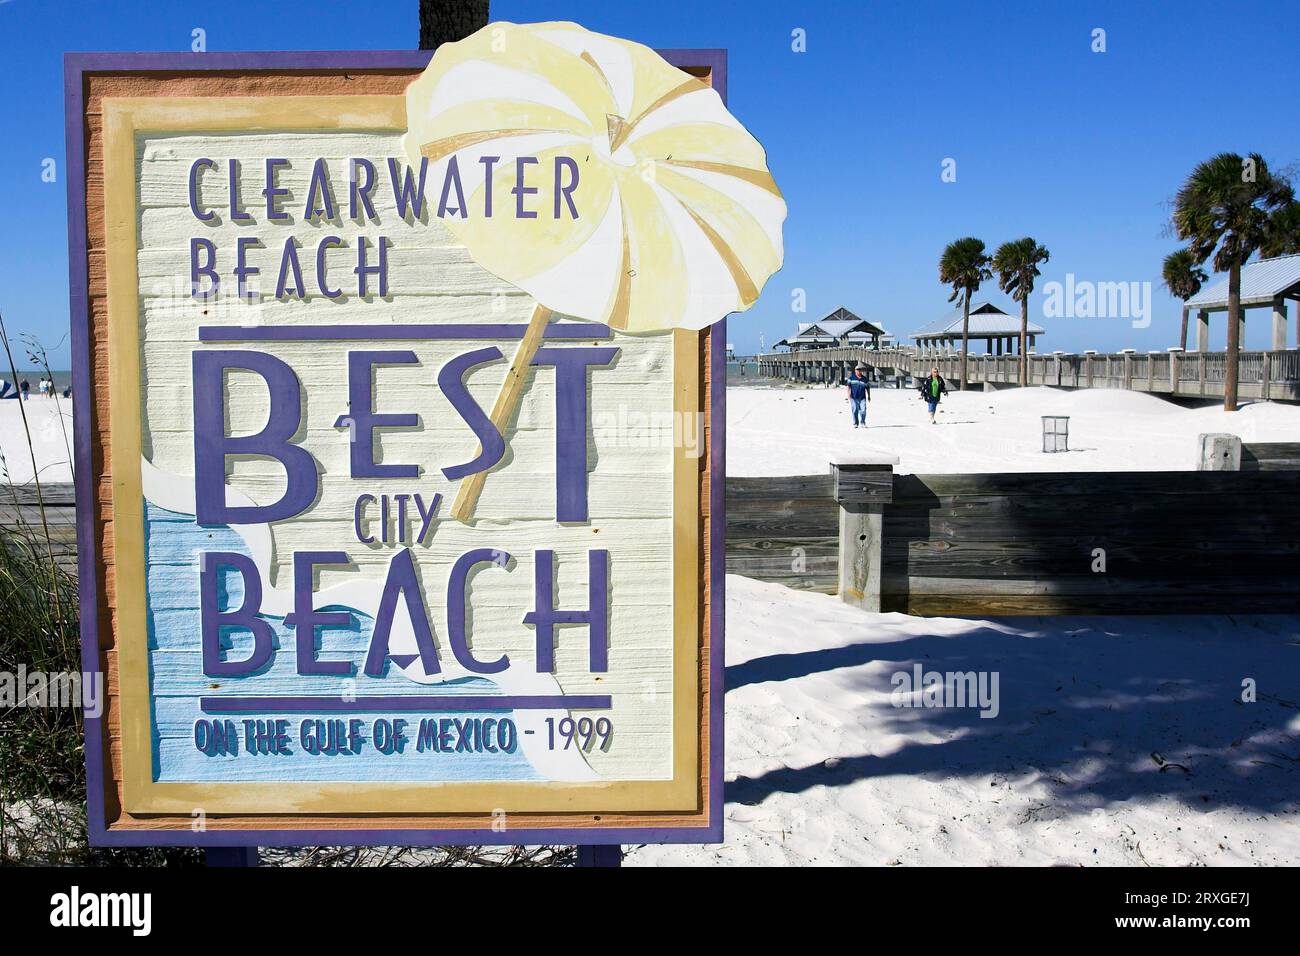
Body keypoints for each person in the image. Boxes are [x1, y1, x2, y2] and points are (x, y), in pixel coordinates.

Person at [845, 363, 871, 428]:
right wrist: (848, 395)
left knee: (863, 410)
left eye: (860, 370)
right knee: (855, 410)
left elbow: (868, 388)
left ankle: (862, 422)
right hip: (853, 397)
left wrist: (869, 396)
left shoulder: (865, 379)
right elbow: (848, 386)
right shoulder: (851, 378)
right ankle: (855, 423)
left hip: (862, 398)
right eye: (857, 370)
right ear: (855, 370)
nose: (859, 371)